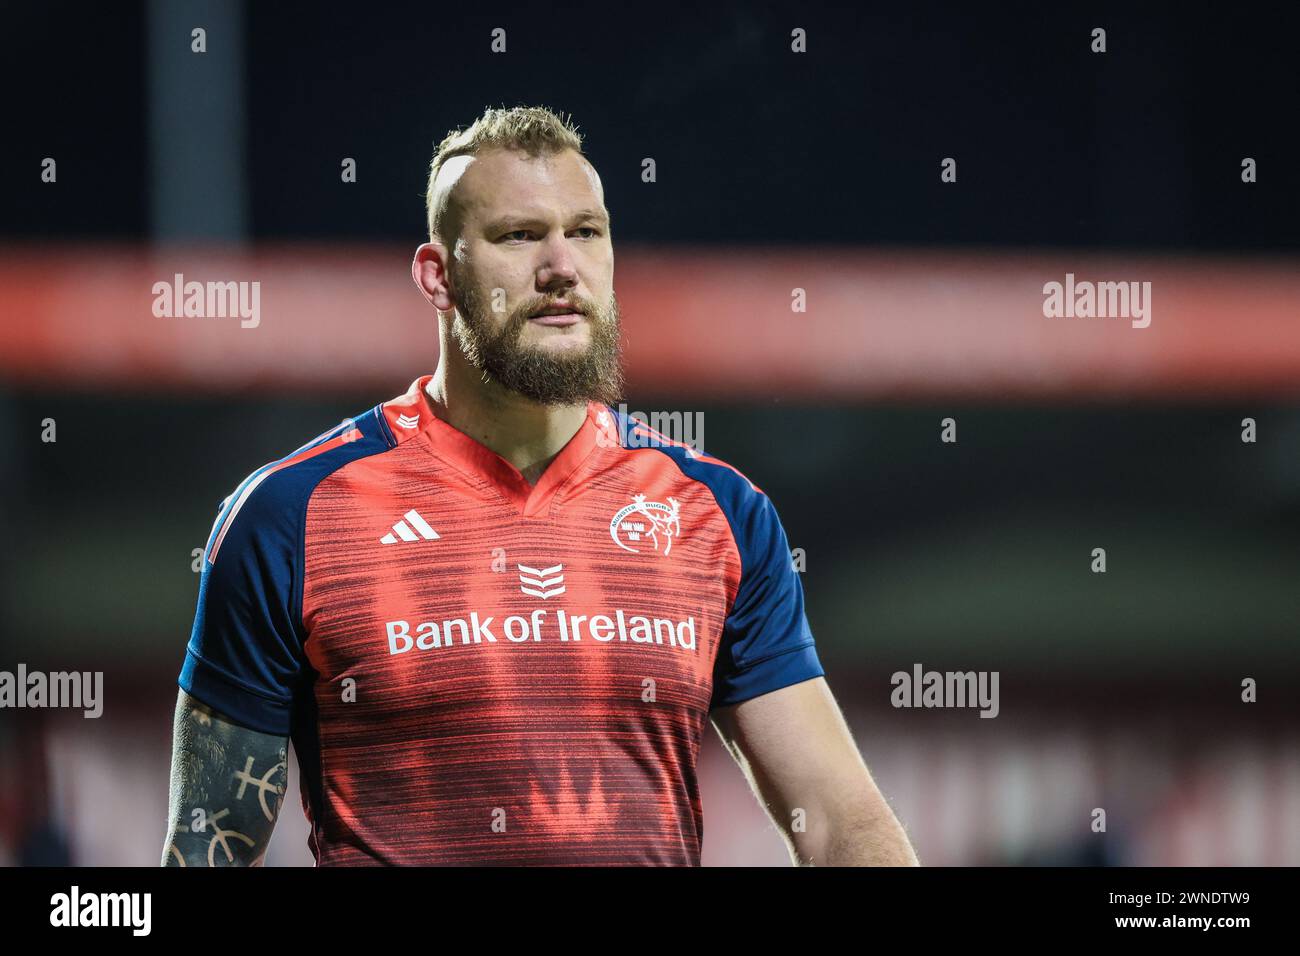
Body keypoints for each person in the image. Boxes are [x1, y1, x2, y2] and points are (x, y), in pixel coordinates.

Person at [161, 105, 918, 866]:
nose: (562, 267)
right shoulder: (288, 515)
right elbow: (206, 848)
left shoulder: (718, 513)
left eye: (586, 232)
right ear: (439, 275)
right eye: (519, 237)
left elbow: (837, 823)